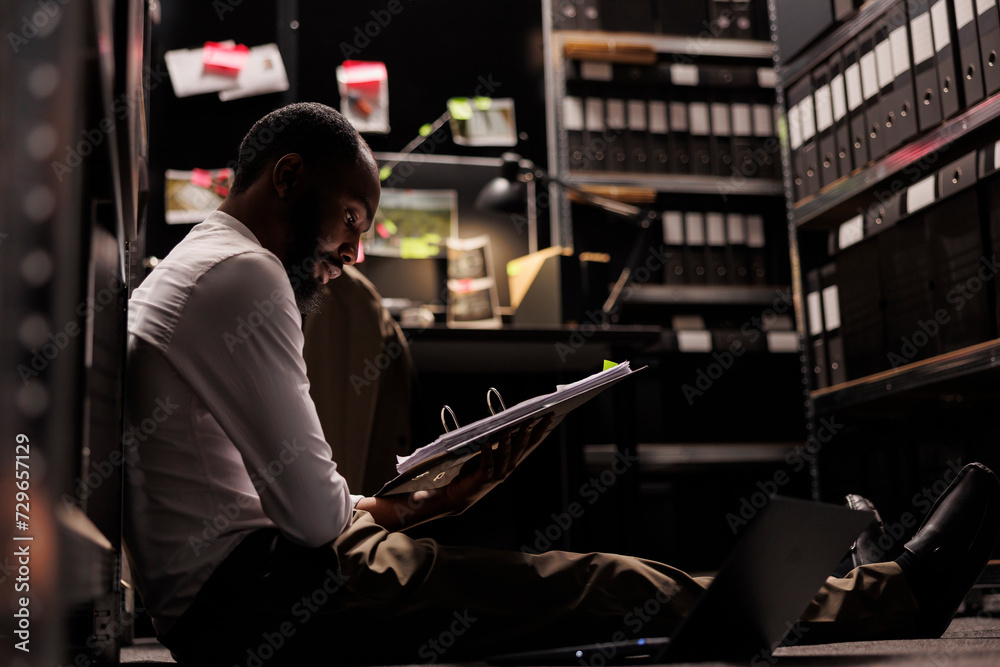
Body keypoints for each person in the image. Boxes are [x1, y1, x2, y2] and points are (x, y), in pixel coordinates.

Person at [123, 102, 1000, 666]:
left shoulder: (196, 266)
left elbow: (297, 504)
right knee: (601, 584)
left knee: (587, 581)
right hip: (258, 602)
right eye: (353, 221)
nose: (355, 252)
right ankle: (897, 595)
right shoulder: (243, 276)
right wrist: (398, 510)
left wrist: (420, 503)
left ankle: (852, 592)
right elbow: (313, 517)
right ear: (289, 176)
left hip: (240, 596)